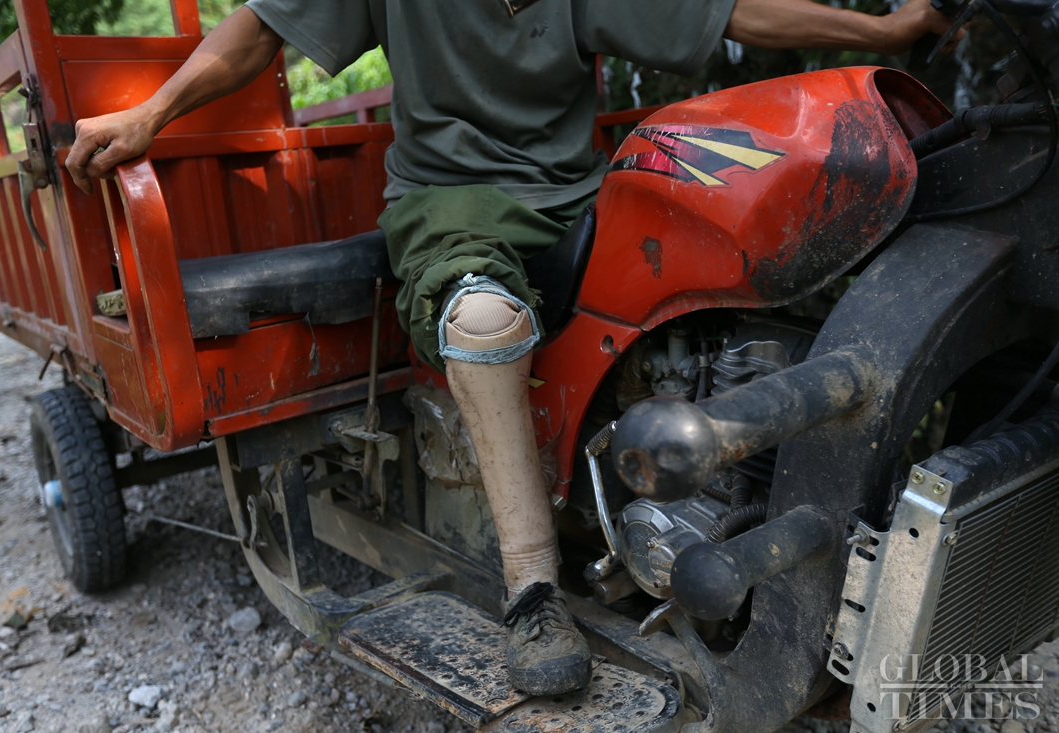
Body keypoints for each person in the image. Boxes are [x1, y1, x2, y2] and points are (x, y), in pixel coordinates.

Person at [65, 0, 959, 698]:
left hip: (578, 195)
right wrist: (151, 113)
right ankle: (533, 597)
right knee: (485, 322)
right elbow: (262, 30)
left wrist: (880, 32)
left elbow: (725, 15)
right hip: (447, 203)